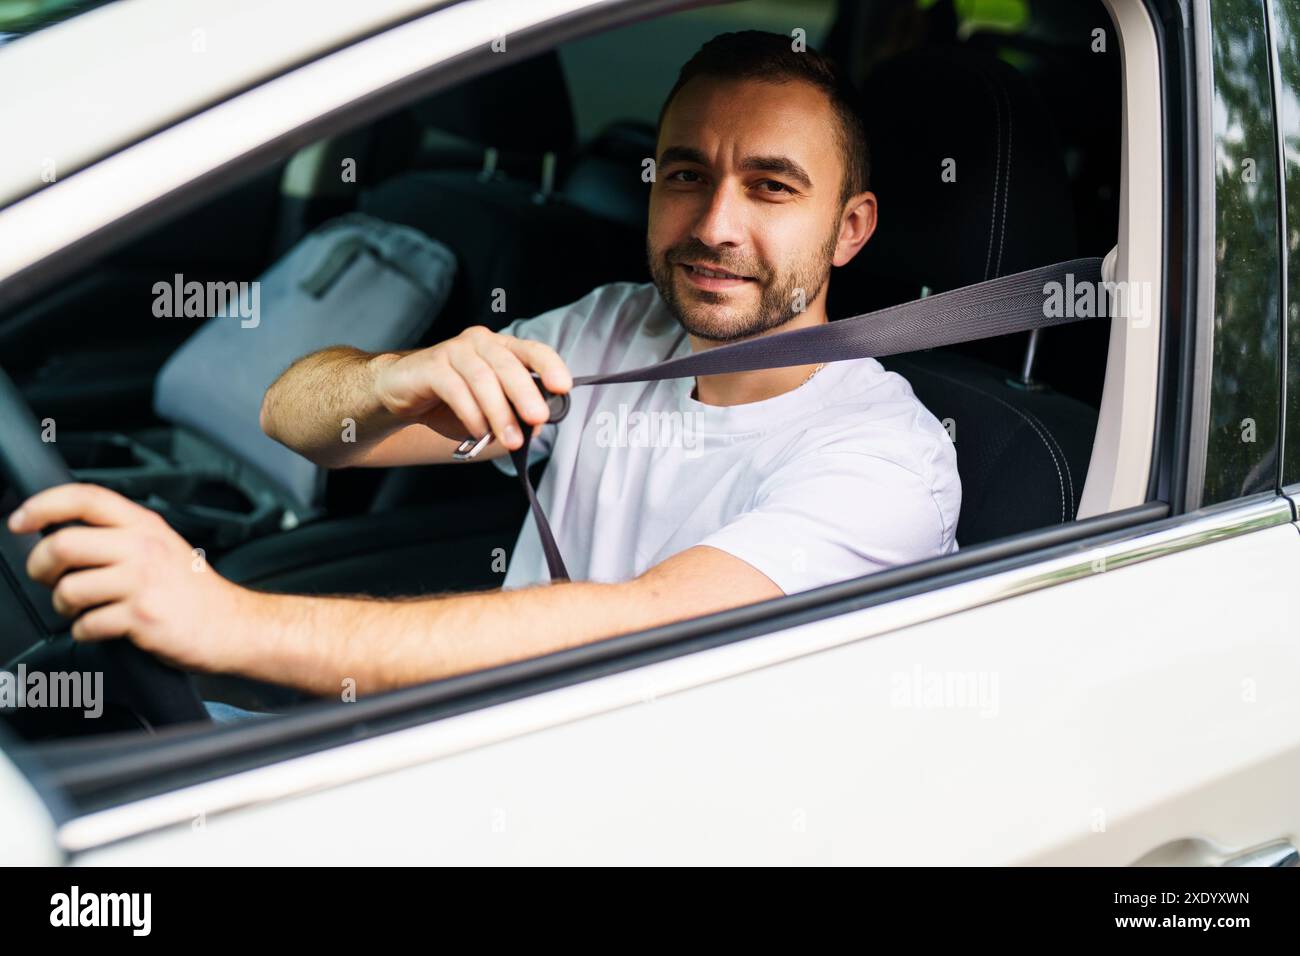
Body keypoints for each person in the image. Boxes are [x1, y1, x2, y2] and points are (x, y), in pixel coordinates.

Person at [8, 31, 960, 699]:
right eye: (685, 175)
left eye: (770, 187)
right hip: (501, 746)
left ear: (850, 230)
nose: (714, 224)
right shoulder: (616, 331)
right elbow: (295, 421)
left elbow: (639, 626)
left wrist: (229, 621)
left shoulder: (886, 459)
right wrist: (388, 382)